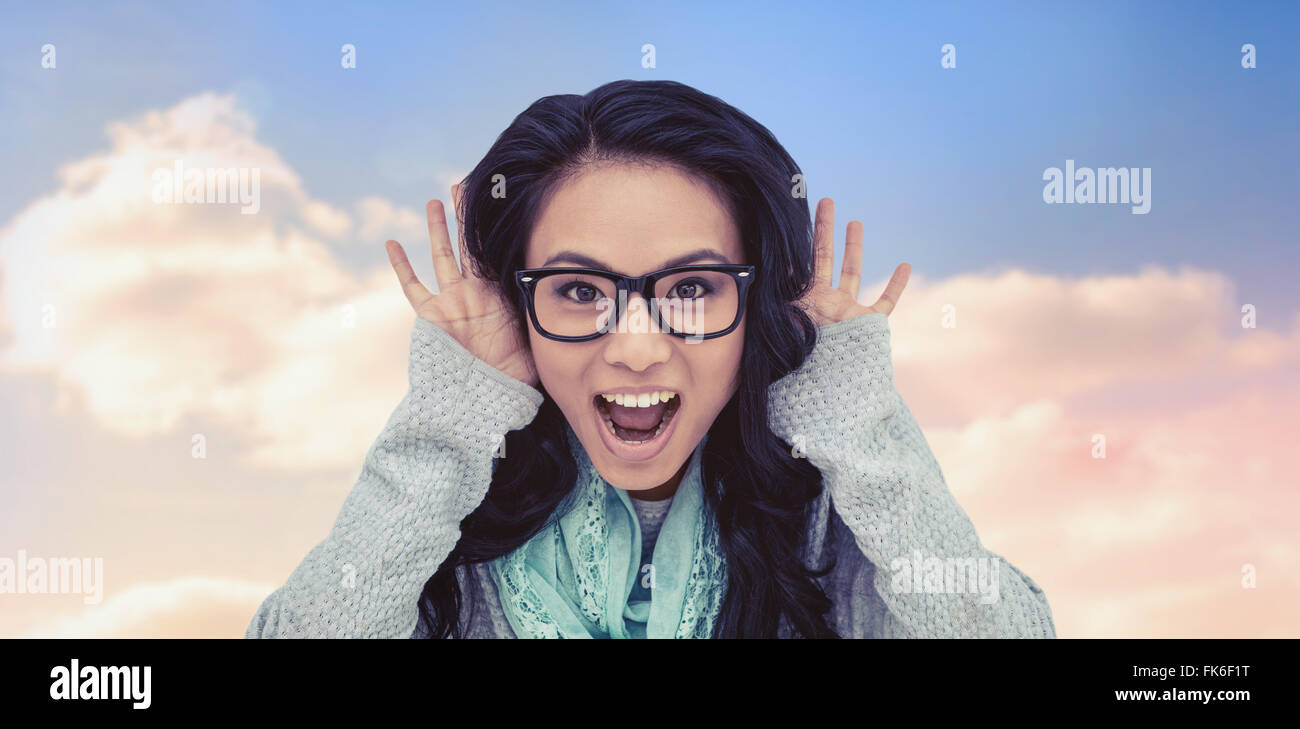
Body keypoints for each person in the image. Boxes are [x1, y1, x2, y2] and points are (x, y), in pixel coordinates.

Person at [245, 79, 1055, 638]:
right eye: (578, 290)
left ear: (756, 304)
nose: (635, 346)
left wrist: (857, 420)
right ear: (519, 304)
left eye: (693, 288)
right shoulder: (445, 527)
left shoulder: (827, 531)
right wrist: (447, 419)